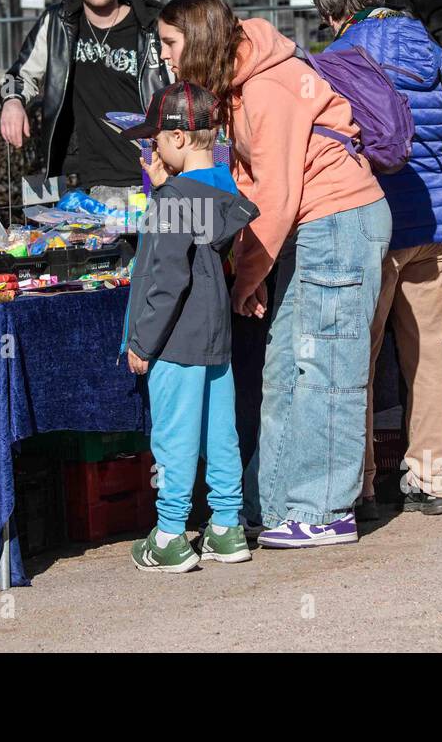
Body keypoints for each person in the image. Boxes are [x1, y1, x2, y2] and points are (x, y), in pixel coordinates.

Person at [156, 0, 391, 547]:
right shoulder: (239, 85)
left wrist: (245, 275)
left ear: (200, 37)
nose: (163, 55)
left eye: (169, 42)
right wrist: (249, 268)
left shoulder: (264, 88)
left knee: (325, 370)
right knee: (285, 370)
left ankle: (325, 510)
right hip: (314, 230)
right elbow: (252, 188)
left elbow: (278, 195)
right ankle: (281, 502)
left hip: (337, 223)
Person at [314, 0, 442, 517]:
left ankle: (357, 482)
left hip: (370, 226)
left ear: (336, 12)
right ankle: (433, 476)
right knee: (433, 353)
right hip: (438, 224)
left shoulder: (337, 61)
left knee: (356, 356)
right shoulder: (436, 54)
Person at [122, 81, 261, 572]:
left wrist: (141, 341)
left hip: (174, 339)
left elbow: (165, 278)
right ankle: (227, 526)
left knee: (174, 438)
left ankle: (170, 535)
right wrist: (164, 187)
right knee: (220, 432)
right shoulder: (220, 186)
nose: (152, 149)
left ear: (178, 139)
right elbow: (199, 245)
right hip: (214, 333)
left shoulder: (172, 200)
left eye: (155, 139)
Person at [0, 0, 169, 210]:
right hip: (85, 182)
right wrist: (12, 102)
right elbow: (15, 75)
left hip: (151, 176)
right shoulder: (57, 23)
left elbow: (183, 87)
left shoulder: (152, 25)